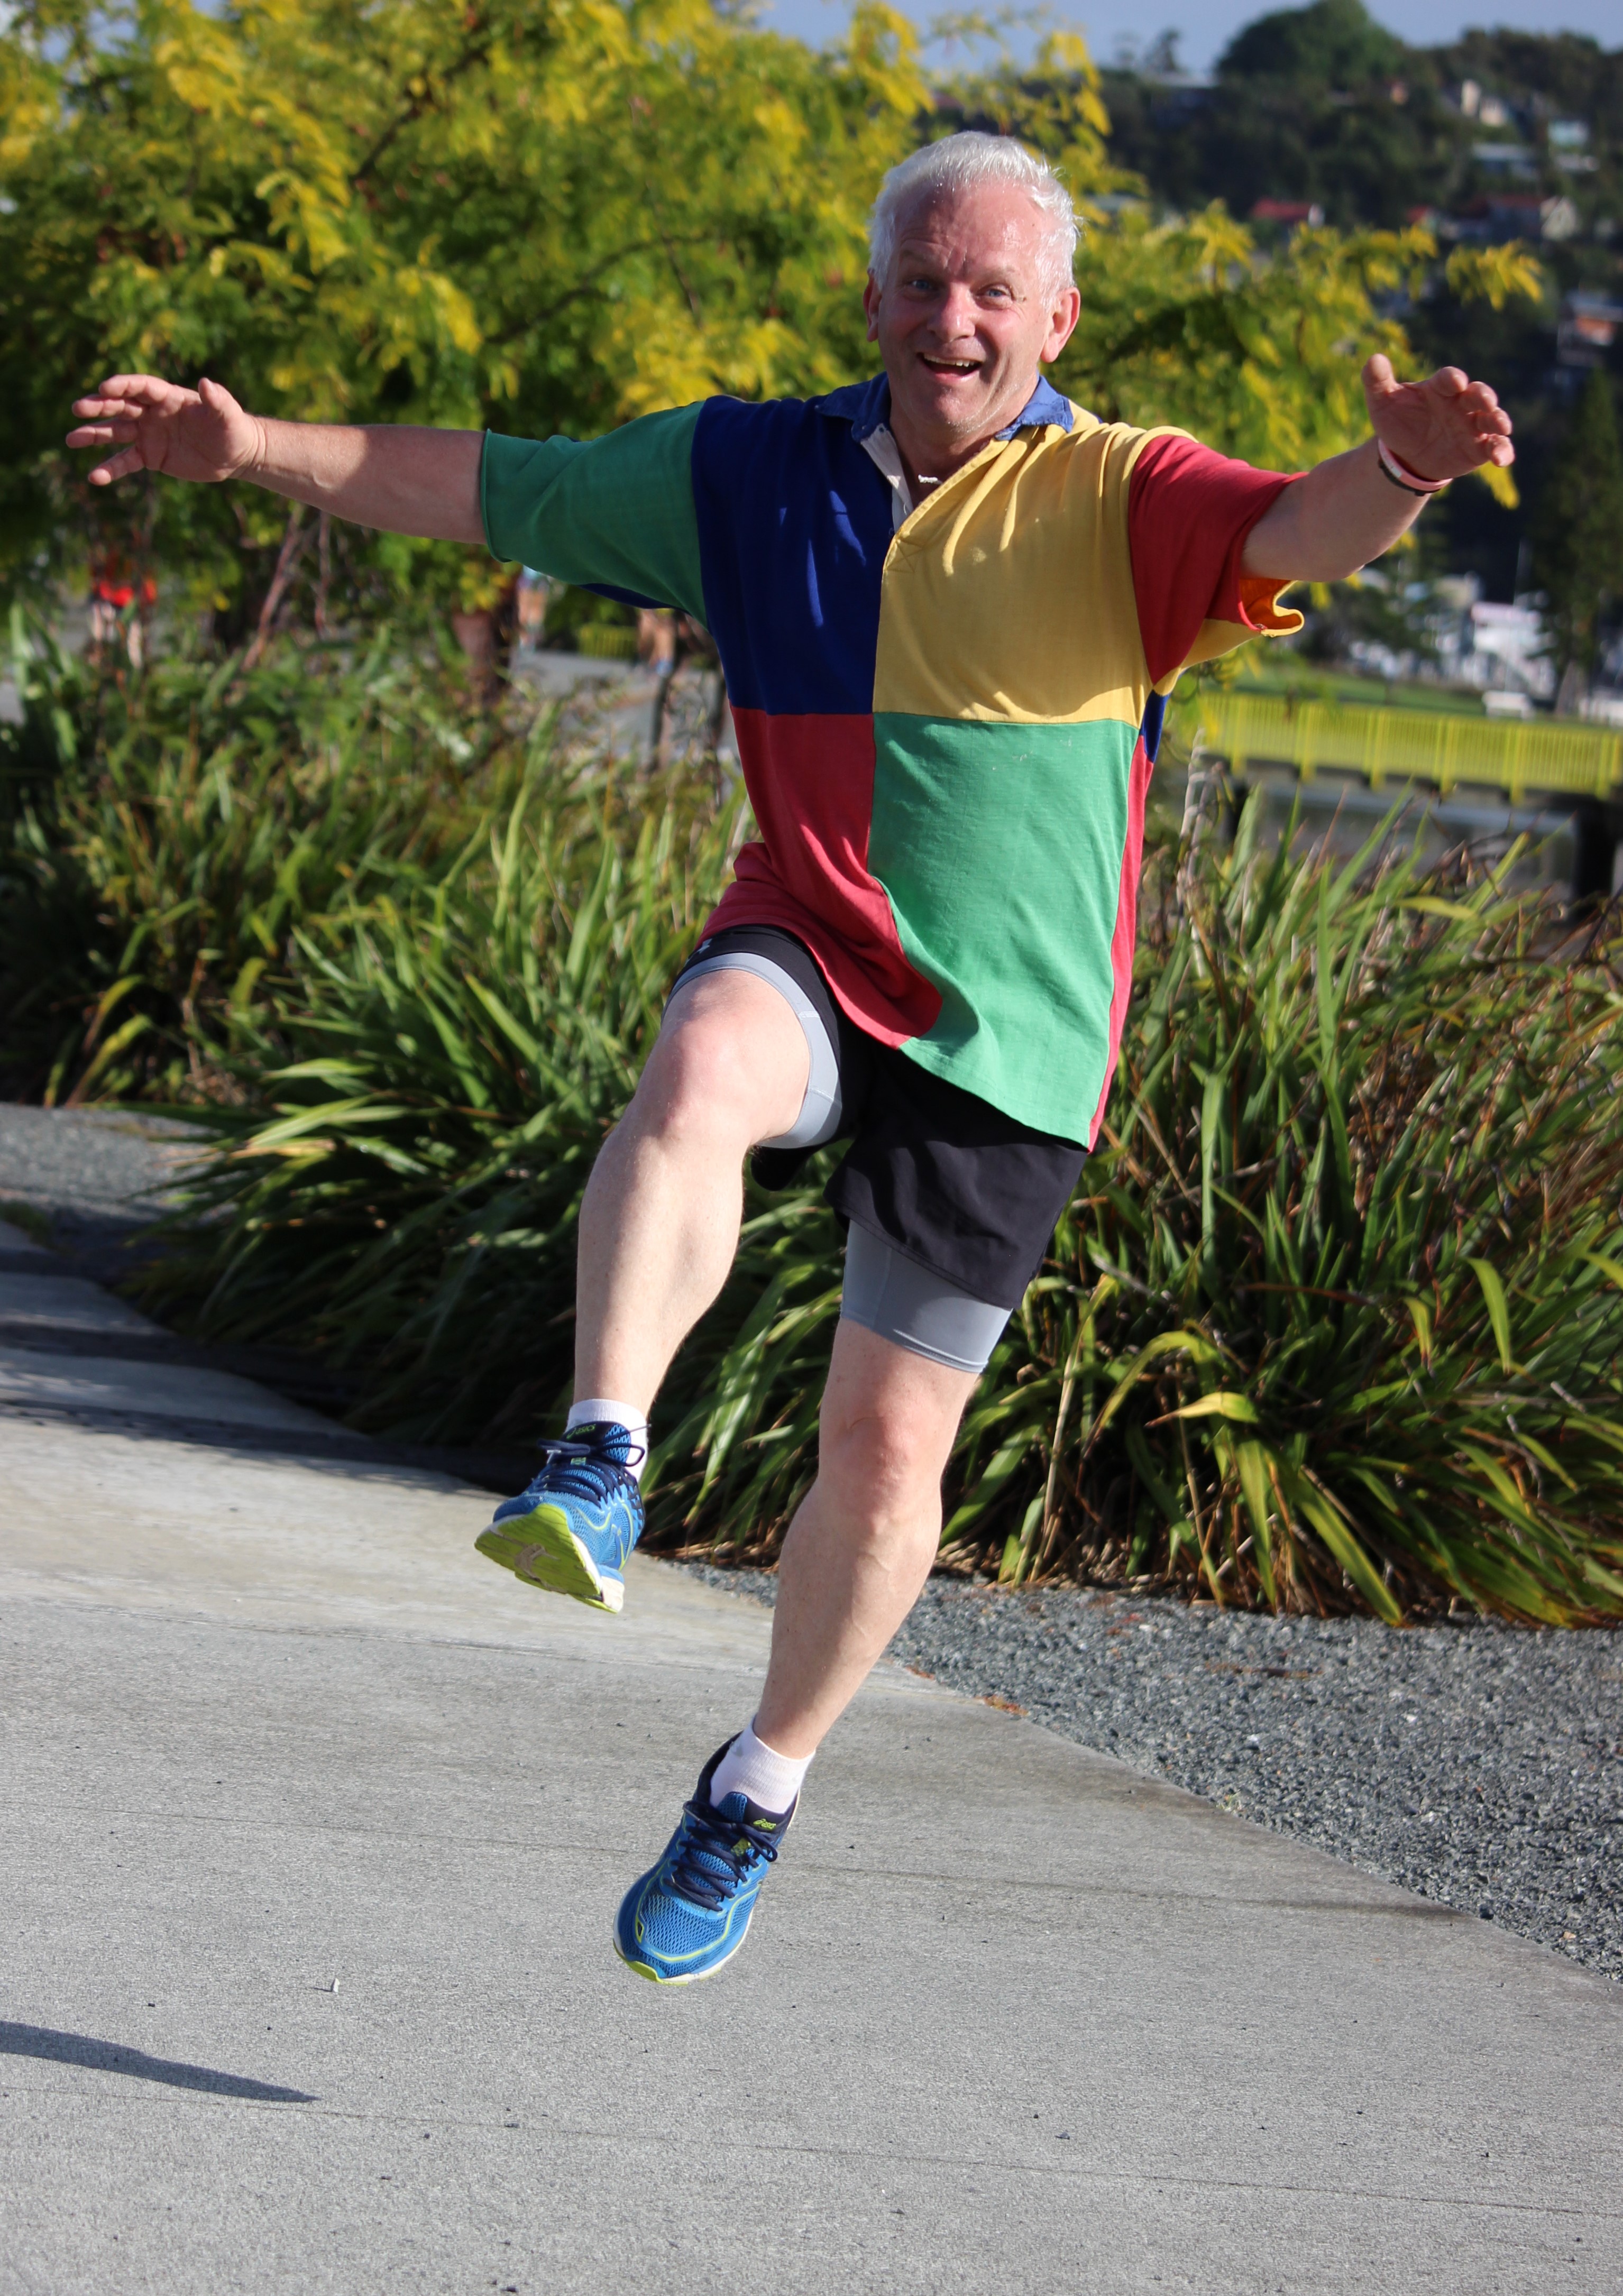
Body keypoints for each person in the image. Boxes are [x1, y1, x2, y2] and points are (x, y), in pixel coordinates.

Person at [68, 133, 1514, 1989]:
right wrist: (248, 444)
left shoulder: (1118, 491)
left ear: (1059, 319)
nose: (952, 318)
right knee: (700, 1068)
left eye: (994, 290)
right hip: (817, 939)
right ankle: (600, 1457)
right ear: (872, 295)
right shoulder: (746, 471)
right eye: (922, 280)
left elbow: (1291, 529)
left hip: (1009, 1035)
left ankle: (758, 1784)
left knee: (887, 1445)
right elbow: (494, 486)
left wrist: (1400, 468)